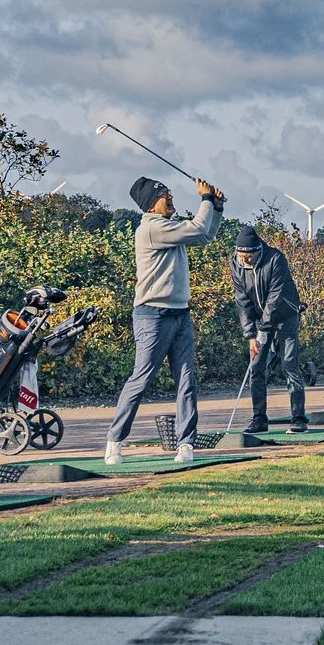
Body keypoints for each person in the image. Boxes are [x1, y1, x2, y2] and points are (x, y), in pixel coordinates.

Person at [105, 173, 225, 465]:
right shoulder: (152, 229)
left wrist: (217, 208)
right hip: (152, 315)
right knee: (141, 379)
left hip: (180, 313)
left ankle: (185, 444)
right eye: (164, 195)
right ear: (150, 205)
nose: (170, 198)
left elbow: (205, 236)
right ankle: (114, 441)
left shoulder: (170, 227)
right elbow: (198, 228)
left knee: (186, 381)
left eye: (170, 193)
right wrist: (206, 198)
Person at [232, 225, 310, 434]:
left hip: (286, 316)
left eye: (248, 257)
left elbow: (275, 298)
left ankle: (299, 418)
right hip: (259, 320)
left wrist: (264, 329)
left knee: (289, 364)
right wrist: (251, 335)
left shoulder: (276, 259)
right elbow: (242, 301)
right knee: (256, 367)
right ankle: (259, 419)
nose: (245, 260)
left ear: (257, 250)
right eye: (241, 256)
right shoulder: (236, 264)